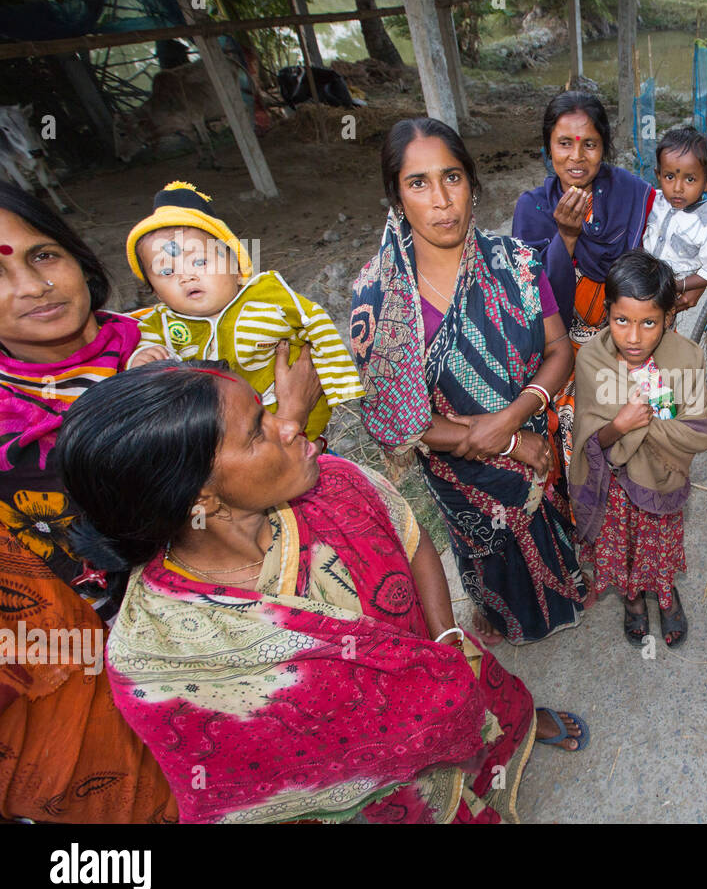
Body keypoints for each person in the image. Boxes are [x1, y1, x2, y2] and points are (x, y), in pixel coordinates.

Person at [54, 363, 588, 824]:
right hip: (383, 795)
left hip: (453, 666)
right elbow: (254, 793)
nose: (290, 424)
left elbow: (414, 540)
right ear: (203, 499)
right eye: (257, 432)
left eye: (267, 409)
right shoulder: (155, 660)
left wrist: (447, 640)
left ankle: (507, 730)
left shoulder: (337, 482)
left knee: (493, 704)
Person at [0, 183, 317, 822]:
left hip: (258, 596)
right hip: (116, 658)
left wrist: (286, 423)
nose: (32, 286)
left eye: (42, 256)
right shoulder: (10, 433)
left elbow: (256, 468)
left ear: (77, 258)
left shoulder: (164, 347)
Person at [352, 118, 587, 646]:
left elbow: (559, 351)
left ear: (472, 184)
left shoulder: (517, 264)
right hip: (459, 474)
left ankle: (559, 592)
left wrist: (512, 419)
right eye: (418, 183)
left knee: (548, 527)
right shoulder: (378, 299)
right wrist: (504, 442)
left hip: (534, 441)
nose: (441, 200)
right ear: (396, 196)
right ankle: (500, 614)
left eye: (452, 178)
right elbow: (400, 419)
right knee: (486, 551)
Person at [125, 181, 363, 441]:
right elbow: (146, 352)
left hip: (291, 411)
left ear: (237, 268)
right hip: (224, 430)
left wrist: (341, 383)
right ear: (157, 293)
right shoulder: (160, 324)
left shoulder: (267, 295)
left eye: (200, 261)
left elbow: (315, 321)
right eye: (167, 272)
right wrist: (141, 359)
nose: (186, 276)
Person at [569, 250, 707, 648]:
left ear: (669, 318)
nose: (633, 337)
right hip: (613, 491)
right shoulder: (593, 362)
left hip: (660, 483)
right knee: (621, 549)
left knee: (658, 551)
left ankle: (665, 598)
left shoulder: (686, 359)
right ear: (607, 313)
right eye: (622, 321)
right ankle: (633, 602)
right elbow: (588, 441)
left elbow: (698, 434)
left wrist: (640, 425)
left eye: (649, 322)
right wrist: (620, 425)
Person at [513, 91, 655, 465]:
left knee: (654, 417)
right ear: (548, 147)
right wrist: (567, 237)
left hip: (628, 340)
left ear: (604, 147)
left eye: (589, 144)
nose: (576, 157)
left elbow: (651, 276)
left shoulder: (633, 195)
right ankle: (587, 513)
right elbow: (531, 300)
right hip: (560, 349)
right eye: (564, 144)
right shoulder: (533, 208)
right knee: (577, 433)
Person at [642, 126, 707, 313]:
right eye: (669, 177)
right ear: (658, 175)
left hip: (670, 296)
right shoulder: (652, 201)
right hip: (641, 286)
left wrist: (678, 285)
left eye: (690, 179)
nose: (677, 188)